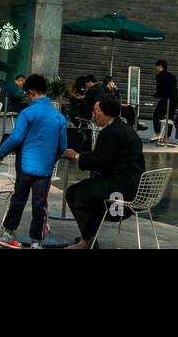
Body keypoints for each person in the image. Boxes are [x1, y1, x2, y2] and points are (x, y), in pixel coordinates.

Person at [61, 96, 146, 249]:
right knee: (89, 189)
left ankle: (88, 240)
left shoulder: (110, 132)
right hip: (135, 186)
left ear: (106, 112)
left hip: (120, 188)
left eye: (96, 110)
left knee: (75, 193)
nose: (93, 114)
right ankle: (90, 234)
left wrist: (76, 156)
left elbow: (102, 163)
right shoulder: (126, 129)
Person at [0, 74, 68, 248]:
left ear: (32, 92)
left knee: (18, 199)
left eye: (27, 94)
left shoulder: (27, 112)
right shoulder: (59, 117)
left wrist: (1, 152)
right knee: (40, 204)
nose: (26, 97)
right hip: (45, 168)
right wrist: (52, 160)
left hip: (25, 164)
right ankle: (36, 242)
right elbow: (62, 146)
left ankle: (8, 234)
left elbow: (16, 138)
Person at [152, 59, 178, 141]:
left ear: (160, 66)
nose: (156, 68)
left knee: (156, 116)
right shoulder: (172, 76)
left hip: (165, 99)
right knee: (170, 119)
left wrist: (155, 95)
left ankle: (157, 133)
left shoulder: (159, 76)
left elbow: (160, 90)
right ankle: (167, 137)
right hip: (174, 100)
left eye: (157, 66)